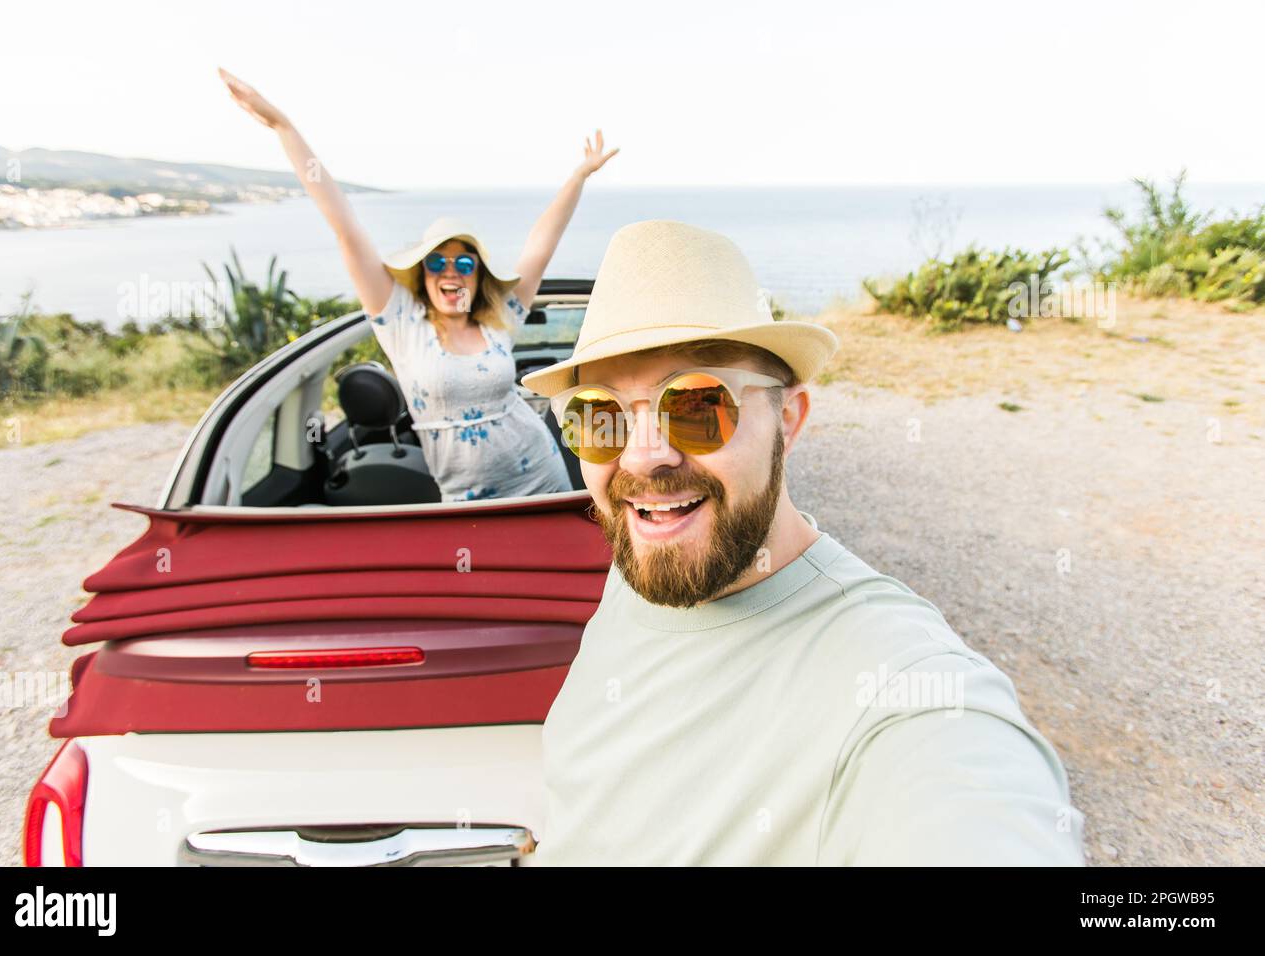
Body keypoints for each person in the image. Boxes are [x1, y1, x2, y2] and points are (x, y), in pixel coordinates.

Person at [518, 220, 1087, 865]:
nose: (644, 458)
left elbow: (971, 805)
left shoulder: (904, 691)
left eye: (698, 406)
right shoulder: (649, 556)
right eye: (601, 416)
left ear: (788, 419)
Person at [218, 67, 618, 501]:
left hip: (543, 478)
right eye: (437, 261)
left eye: (465, 262)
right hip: (467, 499)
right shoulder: (402, 325)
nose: (451, 271)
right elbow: (346, 228)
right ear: (423, 274)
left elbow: (542, 244)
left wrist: (578, 176)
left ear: (477, 275)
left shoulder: (496, 321)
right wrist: (284, 126)